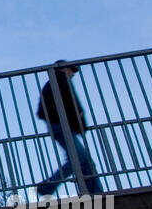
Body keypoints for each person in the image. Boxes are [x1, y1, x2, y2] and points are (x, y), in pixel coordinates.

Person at [34, 60, 103, 195]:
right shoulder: (58, 83)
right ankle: (47, 187)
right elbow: (42, 112)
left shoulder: (59, 83)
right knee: (78, 158)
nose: (73, 73)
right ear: (62, 69)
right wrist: (69, 117)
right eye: (72, 70)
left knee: (84, 160)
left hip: (63, 127)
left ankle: (95, 192)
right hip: (60, 127)